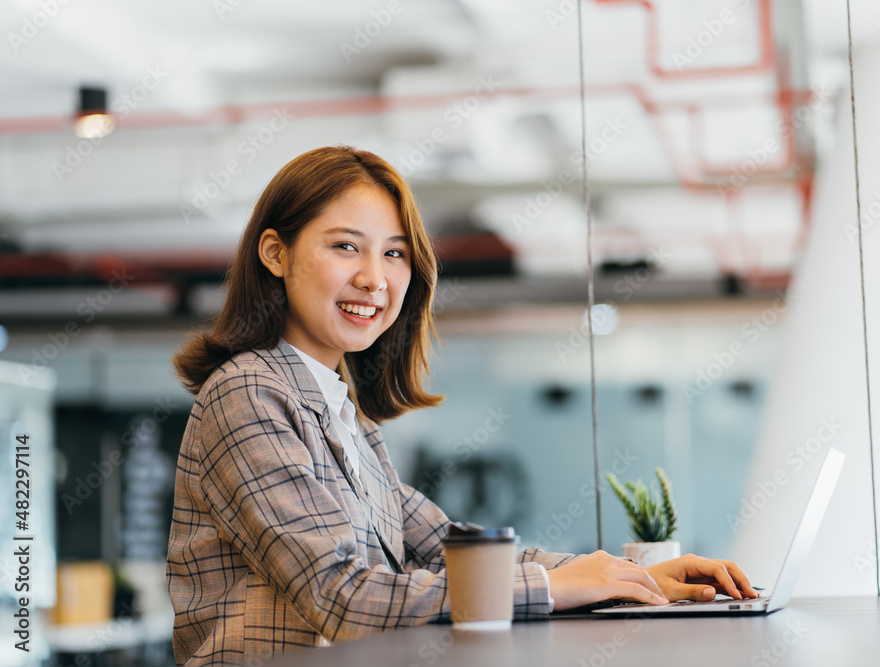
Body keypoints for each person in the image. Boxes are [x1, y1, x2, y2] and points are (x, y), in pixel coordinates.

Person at [167, 146, 757, 666]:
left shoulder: (347, 419)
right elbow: (342, 597)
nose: (375, 279)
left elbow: (457, 546)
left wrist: (623, 578)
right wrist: (560, 588)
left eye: (394, 254)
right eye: (346, 246)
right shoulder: (247, 393)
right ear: (275, 252)